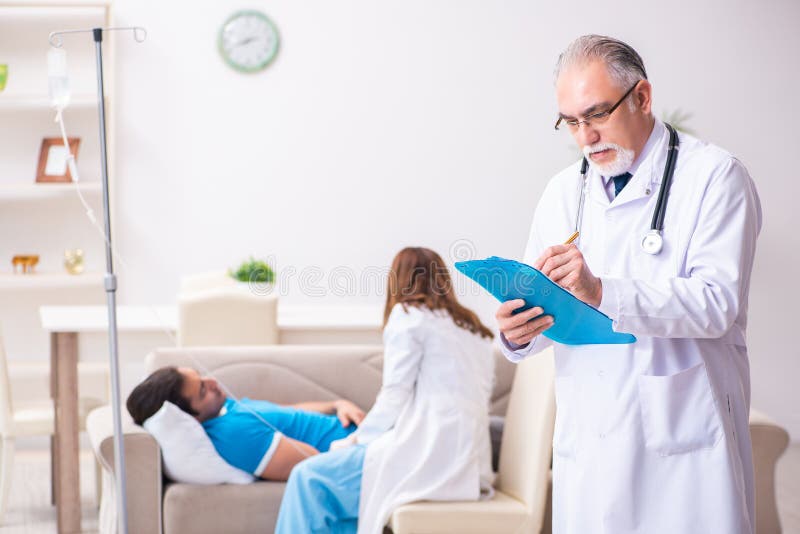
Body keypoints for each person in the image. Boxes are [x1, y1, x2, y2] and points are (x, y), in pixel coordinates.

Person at [496, 35, 761, 534]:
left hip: (683, 447)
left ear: (642, 96)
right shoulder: (562, 191)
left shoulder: (715, 177)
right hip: (591, 445)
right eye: (571, 121)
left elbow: (717, 303)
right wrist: (519, 332)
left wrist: (602, 292)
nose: (585, 136)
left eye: (597, 114)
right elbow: (547, 306)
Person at [275, 247, 495, 534]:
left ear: (397, 279)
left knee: (308, 478)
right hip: (470, 466)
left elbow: (395, 395)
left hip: (427, 456)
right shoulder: (475, 330)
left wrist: (356, 440)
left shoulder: (408, 315)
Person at [126, 366, 366, 480]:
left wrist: (336, 405)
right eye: (202, 390)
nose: (211, 382)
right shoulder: (234, 435)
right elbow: (312, 463)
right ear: (191, 417)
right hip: (360, 452)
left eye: (202, 377)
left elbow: (290, 413)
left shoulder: (224, 409)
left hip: (360, 428)